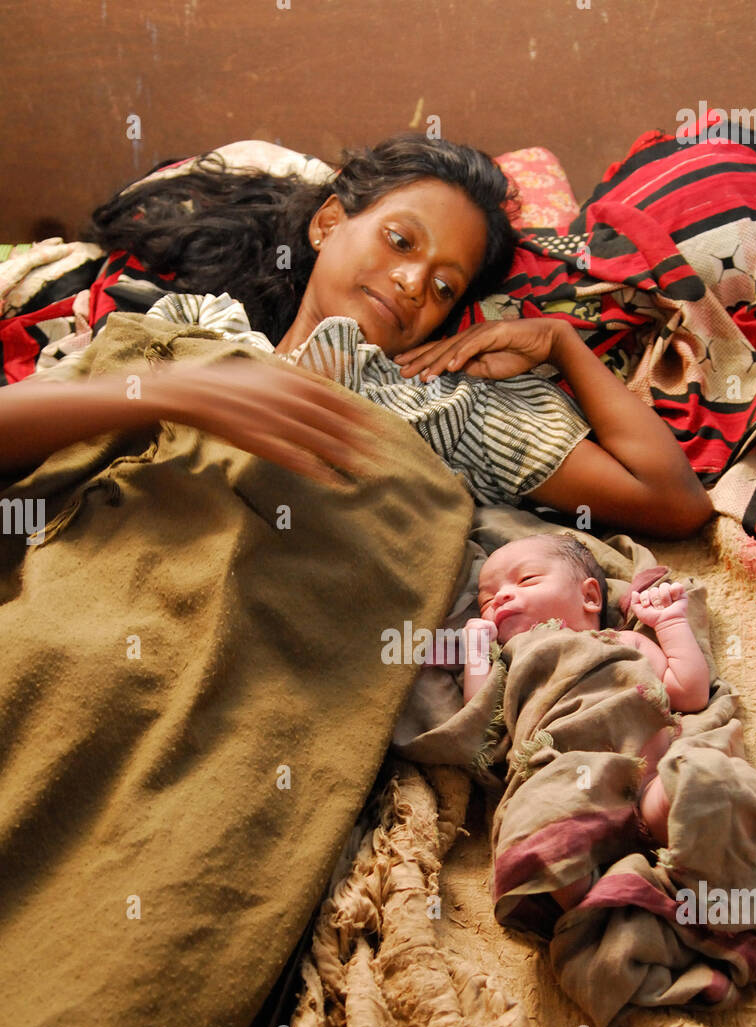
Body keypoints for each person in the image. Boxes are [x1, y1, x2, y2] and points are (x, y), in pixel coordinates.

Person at [0, 134, 712, 539]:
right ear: (330, 222)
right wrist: (178, 393)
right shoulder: (198, 327)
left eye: (443, 288)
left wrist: (561, 340)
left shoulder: (448, 407)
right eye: (401, 241)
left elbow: (673, 500)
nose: (412, 283)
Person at [462, 533, 712, 914]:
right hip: (560, 779)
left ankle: (668, 858)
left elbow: (690, 694)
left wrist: (670, 623)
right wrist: (475, 655)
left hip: (645, 776)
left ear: (590, 597)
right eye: (486, 601)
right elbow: (481, 729)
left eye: (526, 579)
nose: (500, 598)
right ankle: (589, 903)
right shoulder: (510, 661)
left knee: (691, 788)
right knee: (538, 819)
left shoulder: (624, 640)